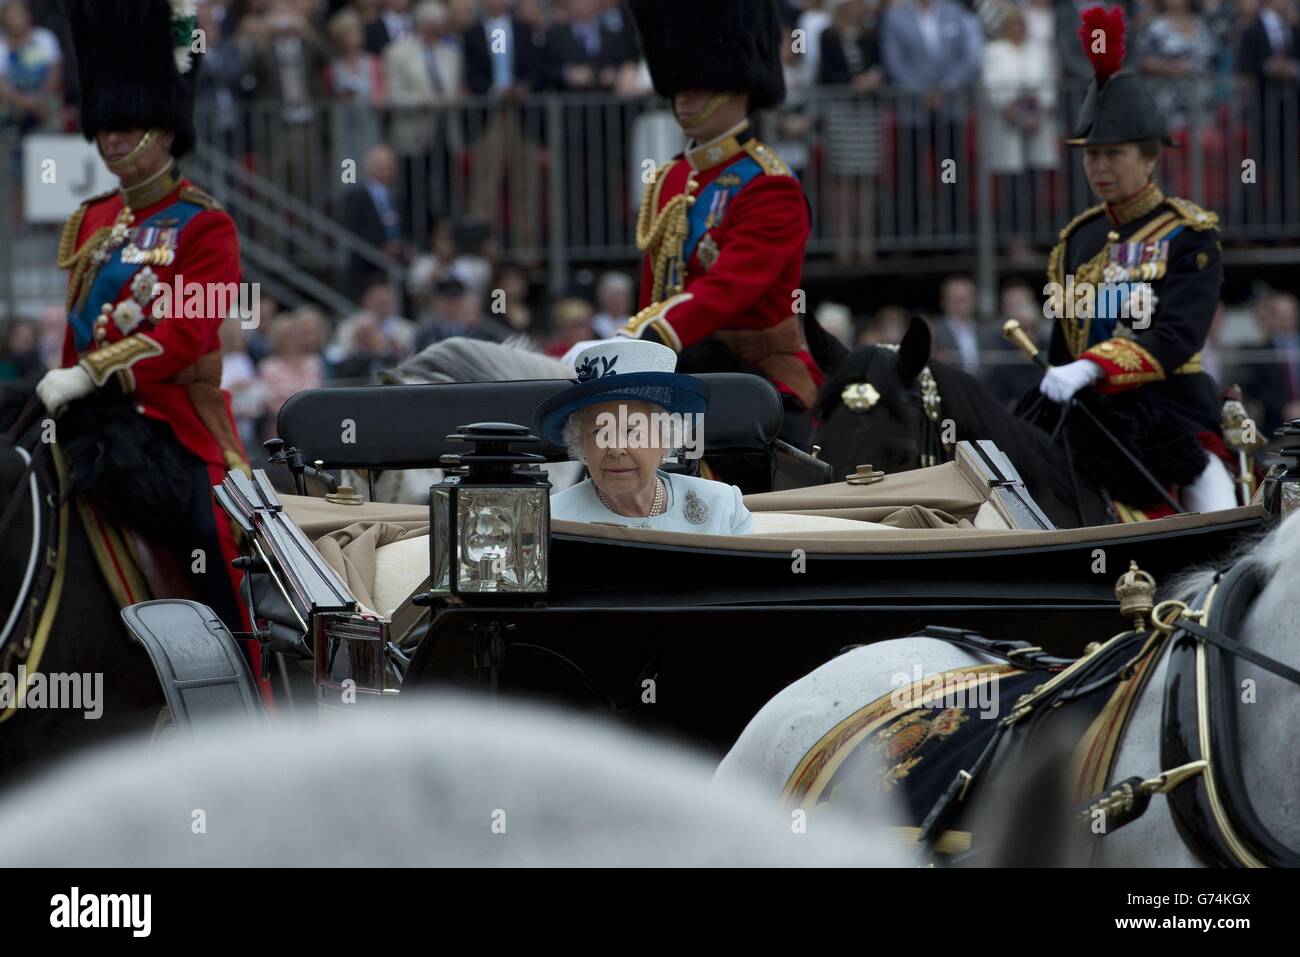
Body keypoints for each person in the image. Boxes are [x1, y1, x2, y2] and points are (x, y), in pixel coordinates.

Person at [35, 0, 255, 648]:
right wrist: (62, 388)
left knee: (215, 535)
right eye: (105, 125)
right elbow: (78, 333)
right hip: (88, 418)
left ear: (164, 127)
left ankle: (248, 680)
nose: (111, 137)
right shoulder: (94, 220)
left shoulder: (206, 225)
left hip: (175, 428)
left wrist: (91, 374)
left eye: (128, 123)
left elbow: (186, 334)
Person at [1027, 5, 1236, 517]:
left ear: (1149, 157)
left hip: (1170, 413)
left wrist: (1092, 368)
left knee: (1216, 503)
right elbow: (1062, 343)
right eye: (1090, 155)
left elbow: (1176, 338)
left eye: (1113, 154)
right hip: (1083, 417)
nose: (1099, 167)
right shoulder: (1078, 237)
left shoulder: (1189, 234)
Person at [622, 0, 836, 477]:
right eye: (679, 82)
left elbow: (729, 289)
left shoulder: (770, 186)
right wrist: (637, 342)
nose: (684, 96)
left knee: (760, 472)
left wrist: (655, 333)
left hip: (756, 373)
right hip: (675, 361)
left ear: (738, 87)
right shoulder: (670, 178)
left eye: (701, 84)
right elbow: (653, 293)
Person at [536, 340, 754, 535]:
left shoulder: (722, 506)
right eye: (600, 432)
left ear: (664, 438)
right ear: (581, 444)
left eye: (633, 431)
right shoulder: (551, 520)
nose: (616, 448)